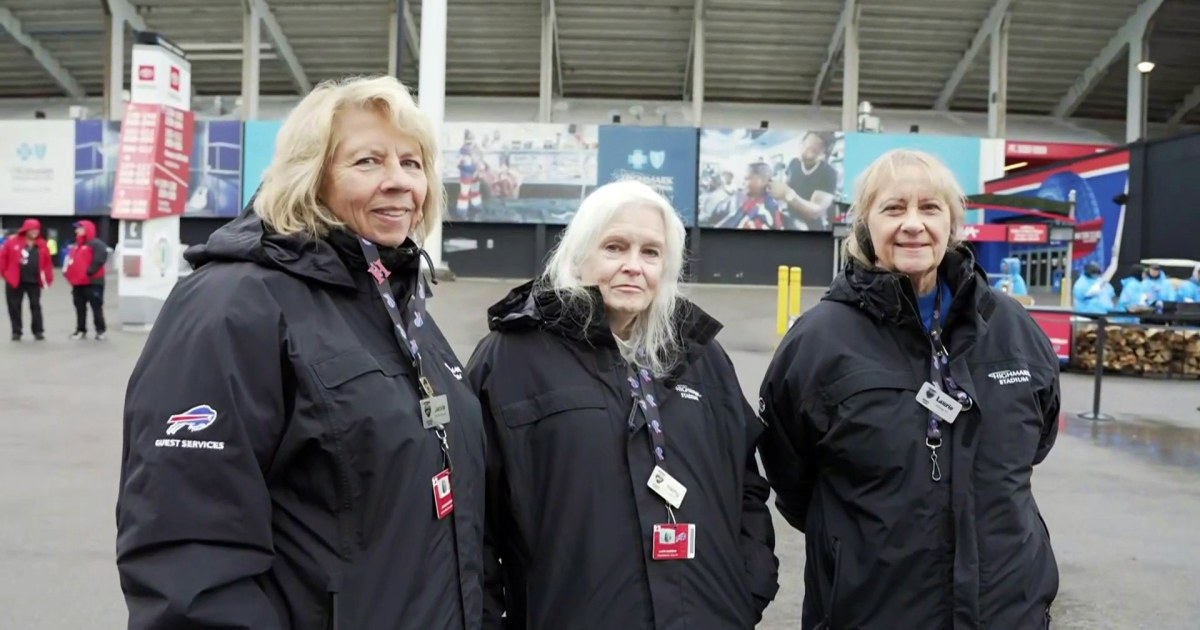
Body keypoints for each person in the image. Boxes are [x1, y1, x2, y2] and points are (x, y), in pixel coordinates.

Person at [115, 75, 486, 630]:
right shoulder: (233, 303)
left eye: (412, 163)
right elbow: (187, 549)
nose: (399, 183)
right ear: (310, 174)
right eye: (367, 162)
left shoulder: (398, 304)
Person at [758, 149, 1060, 629]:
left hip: (1005, 606)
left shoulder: (1011, 327)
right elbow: (792, 476)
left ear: (953, 224)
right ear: (865, 224)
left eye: (930, 208)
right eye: (894, 209)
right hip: (871, 608)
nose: (913, 224)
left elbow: (1035, 442)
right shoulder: (818, 341)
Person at [466, 180, 779, 630]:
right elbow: (475, 517)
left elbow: (745, 484)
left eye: (651, 253)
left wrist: (747, 586)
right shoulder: (511, 359)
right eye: (615, 248)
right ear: (579, 255)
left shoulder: (700, 356)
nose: (634, 266)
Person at [769, 131, 838, 231]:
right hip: (789, 223)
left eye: (812, 149)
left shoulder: (828, 173)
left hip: (812, 231)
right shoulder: (794, 163)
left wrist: (787, 194)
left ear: (823, 153)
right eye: (805, 144)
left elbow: (815, 211)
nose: (804, 151)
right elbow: (786, 187)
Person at [1, 218, 54, 341]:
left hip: (34, 281)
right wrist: (6, 274)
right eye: (32, 229)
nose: (35, 231)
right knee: (14, 306)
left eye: (36, 229)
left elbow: (47, 263)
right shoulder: (12, 242)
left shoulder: (42, 244)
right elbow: (2, 258)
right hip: (15, 281)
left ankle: (38, 331)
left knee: (35, 306)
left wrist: (48, 277)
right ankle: (16, 331)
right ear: (26, 229)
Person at [63, 220, 109, 340]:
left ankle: (100, 331)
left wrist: (90, 271)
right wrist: (69, 273)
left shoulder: (95, 244)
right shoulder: (77, 246)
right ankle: (80, 330)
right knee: (80, 308)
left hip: (93, 282)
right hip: (78, 283)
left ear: (86, 229)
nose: (76, 231)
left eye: (79, 228)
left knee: (96, 307)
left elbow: (100, 258)